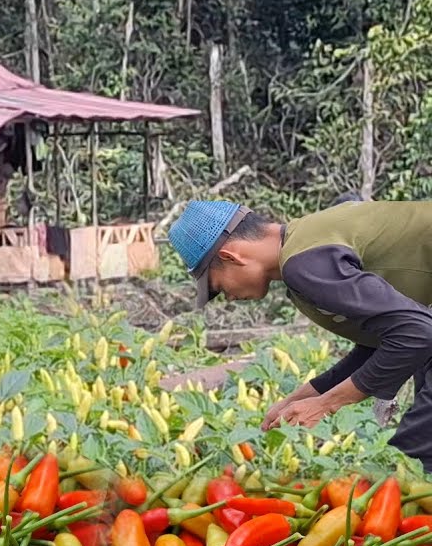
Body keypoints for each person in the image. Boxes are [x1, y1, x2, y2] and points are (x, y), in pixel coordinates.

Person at [166, 199, 432, 470]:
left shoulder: (303, 264)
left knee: (423, 445)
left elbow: (416, 334)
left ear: (231, 256)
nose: (229, 297)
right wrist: (298, 399)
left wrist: (325, 404)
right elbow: (382, 340)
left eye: (218, 287)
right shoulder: (306, 241)